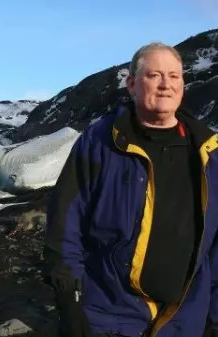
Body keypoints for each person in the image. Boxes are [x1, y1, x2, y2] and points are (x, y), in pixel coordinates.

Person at [44, 42, 218, 337]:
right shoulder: (101, 142)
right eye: (154, 76)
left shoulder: (208, 152)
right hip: (108, 316)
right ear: (131, 84)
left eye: (174, 76)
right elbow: (65, 223)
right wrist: (70, 303)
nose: (166, 85)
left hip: (184, 320)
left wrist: (214, 317)